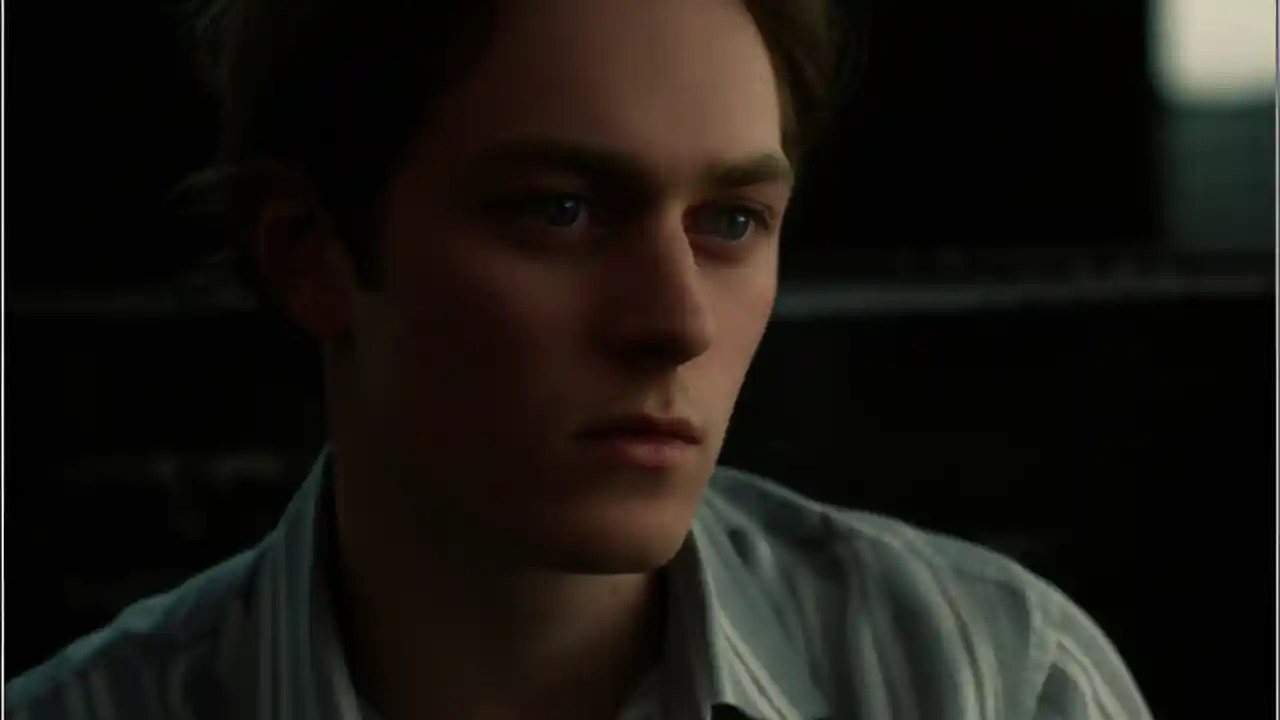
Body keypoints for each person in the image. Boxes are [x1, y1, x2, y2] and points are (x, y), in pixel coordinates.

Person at [6, 0, 1153, 718]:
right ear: (308, 252)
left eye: (731, 221)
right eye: (559, 209)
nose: (676, 321)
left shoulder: (990, 678)